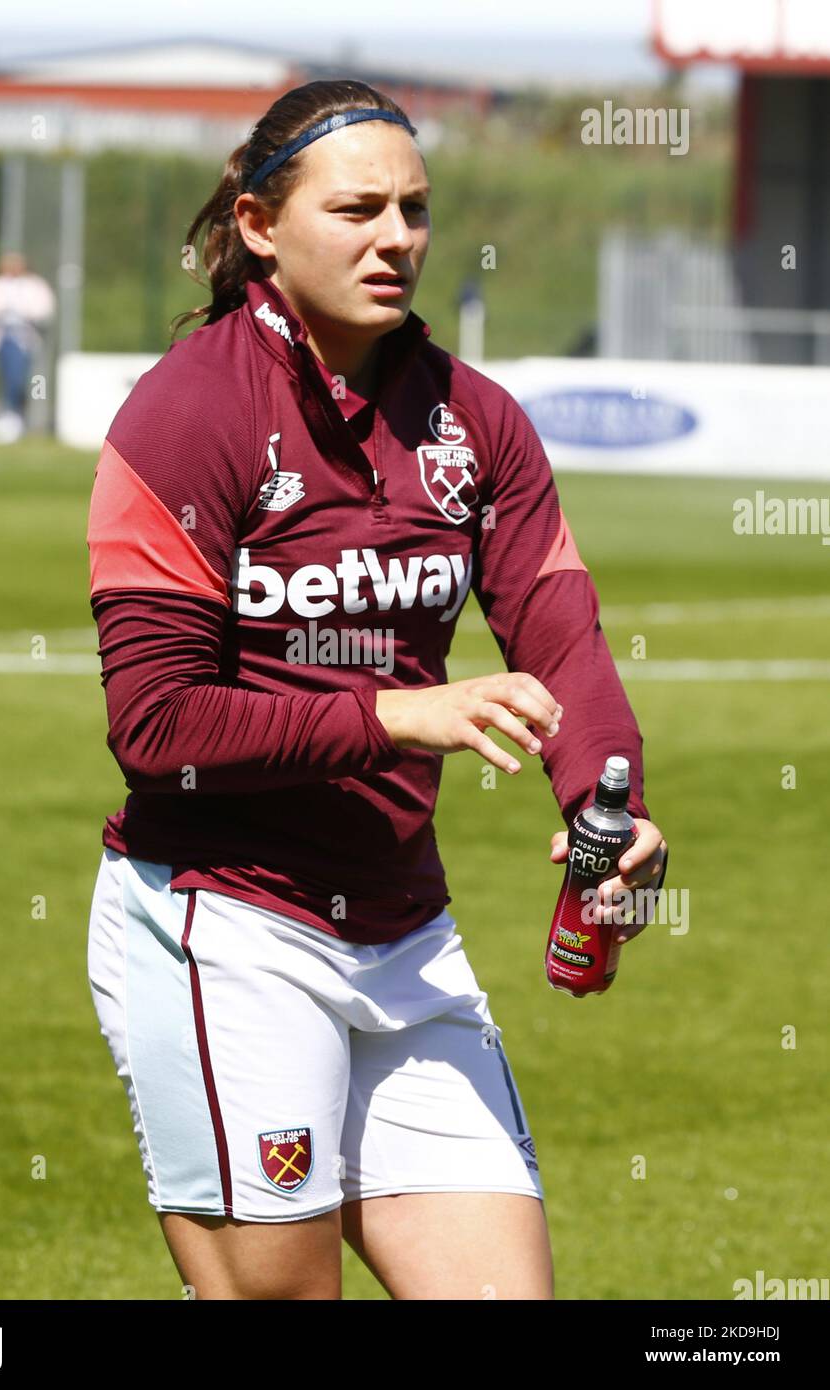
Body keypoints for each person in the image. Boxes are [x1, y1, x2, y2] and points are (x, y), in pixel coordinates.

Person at [85, 79, 668, 1301]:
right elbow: (156, 727)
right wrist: (392, 715)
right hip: (227, 925)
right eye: (355, 209)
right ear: (258, 224)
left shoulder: (477, 419)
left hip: (407, 933)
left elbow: (560, 634)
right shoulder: (184, 413)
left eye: (413, 209)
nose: (394, 237)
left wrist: (606, 811)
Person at [0, 251, 55, 443]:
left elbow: (45, 311)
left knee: (19, 380)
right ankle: (8, 416)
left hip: (25, 339)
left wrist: (24, 311)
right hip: (0, 338)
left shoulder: (35, 285)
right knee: (4, 379)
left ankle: (16, 417)